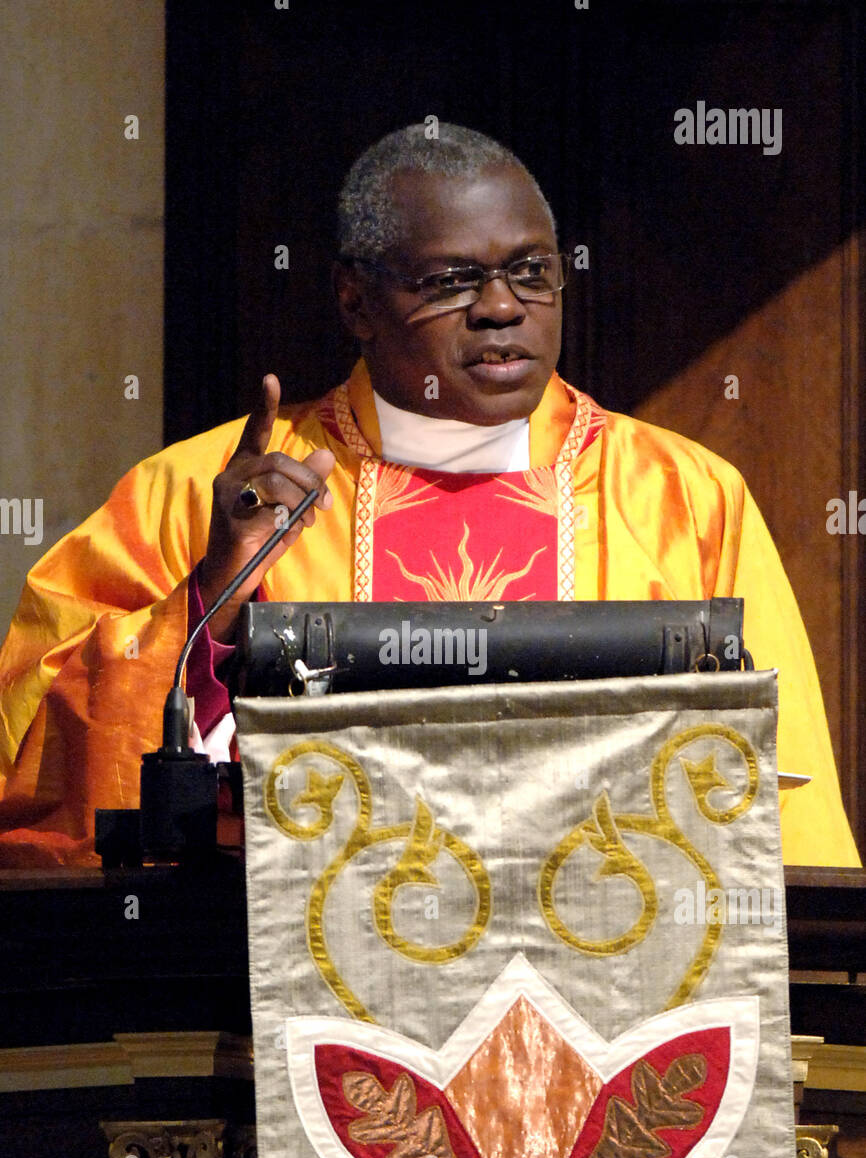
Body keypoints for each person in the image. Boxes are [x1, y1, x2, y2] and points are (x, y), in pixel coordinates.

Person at [0, 124, 858, 868]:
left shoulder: (685, 496)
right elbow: (32, 751)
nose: (500, 308)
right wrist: (209, 606)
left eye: (532, 273)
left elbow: (781, 795)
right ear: (356, 300)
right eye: (451, 282)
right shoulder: (203, 491)